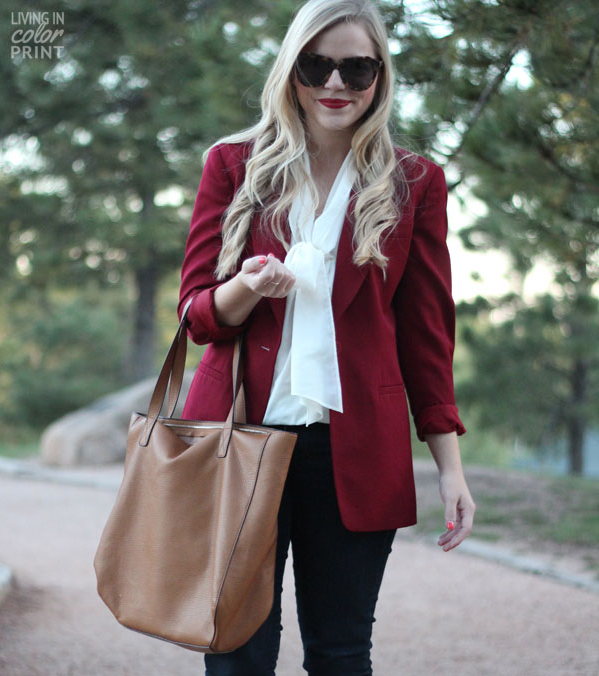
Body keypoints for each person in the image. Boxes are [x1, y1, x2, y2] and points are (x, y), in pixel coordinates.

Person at [177, 0, 476, 673]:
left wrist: (450, 469)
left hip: (353, 450)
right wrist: (248, 286)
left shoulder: (413, 181)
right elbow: (196, 315)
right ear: (292, 71)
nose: (335, 84)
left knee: (341, 656)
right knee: (236, 655)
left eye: (356, 67)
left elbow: (427, 339)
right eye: (317, 65)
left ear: (380, 77)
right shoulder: (233, 166)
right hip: (239, 443)